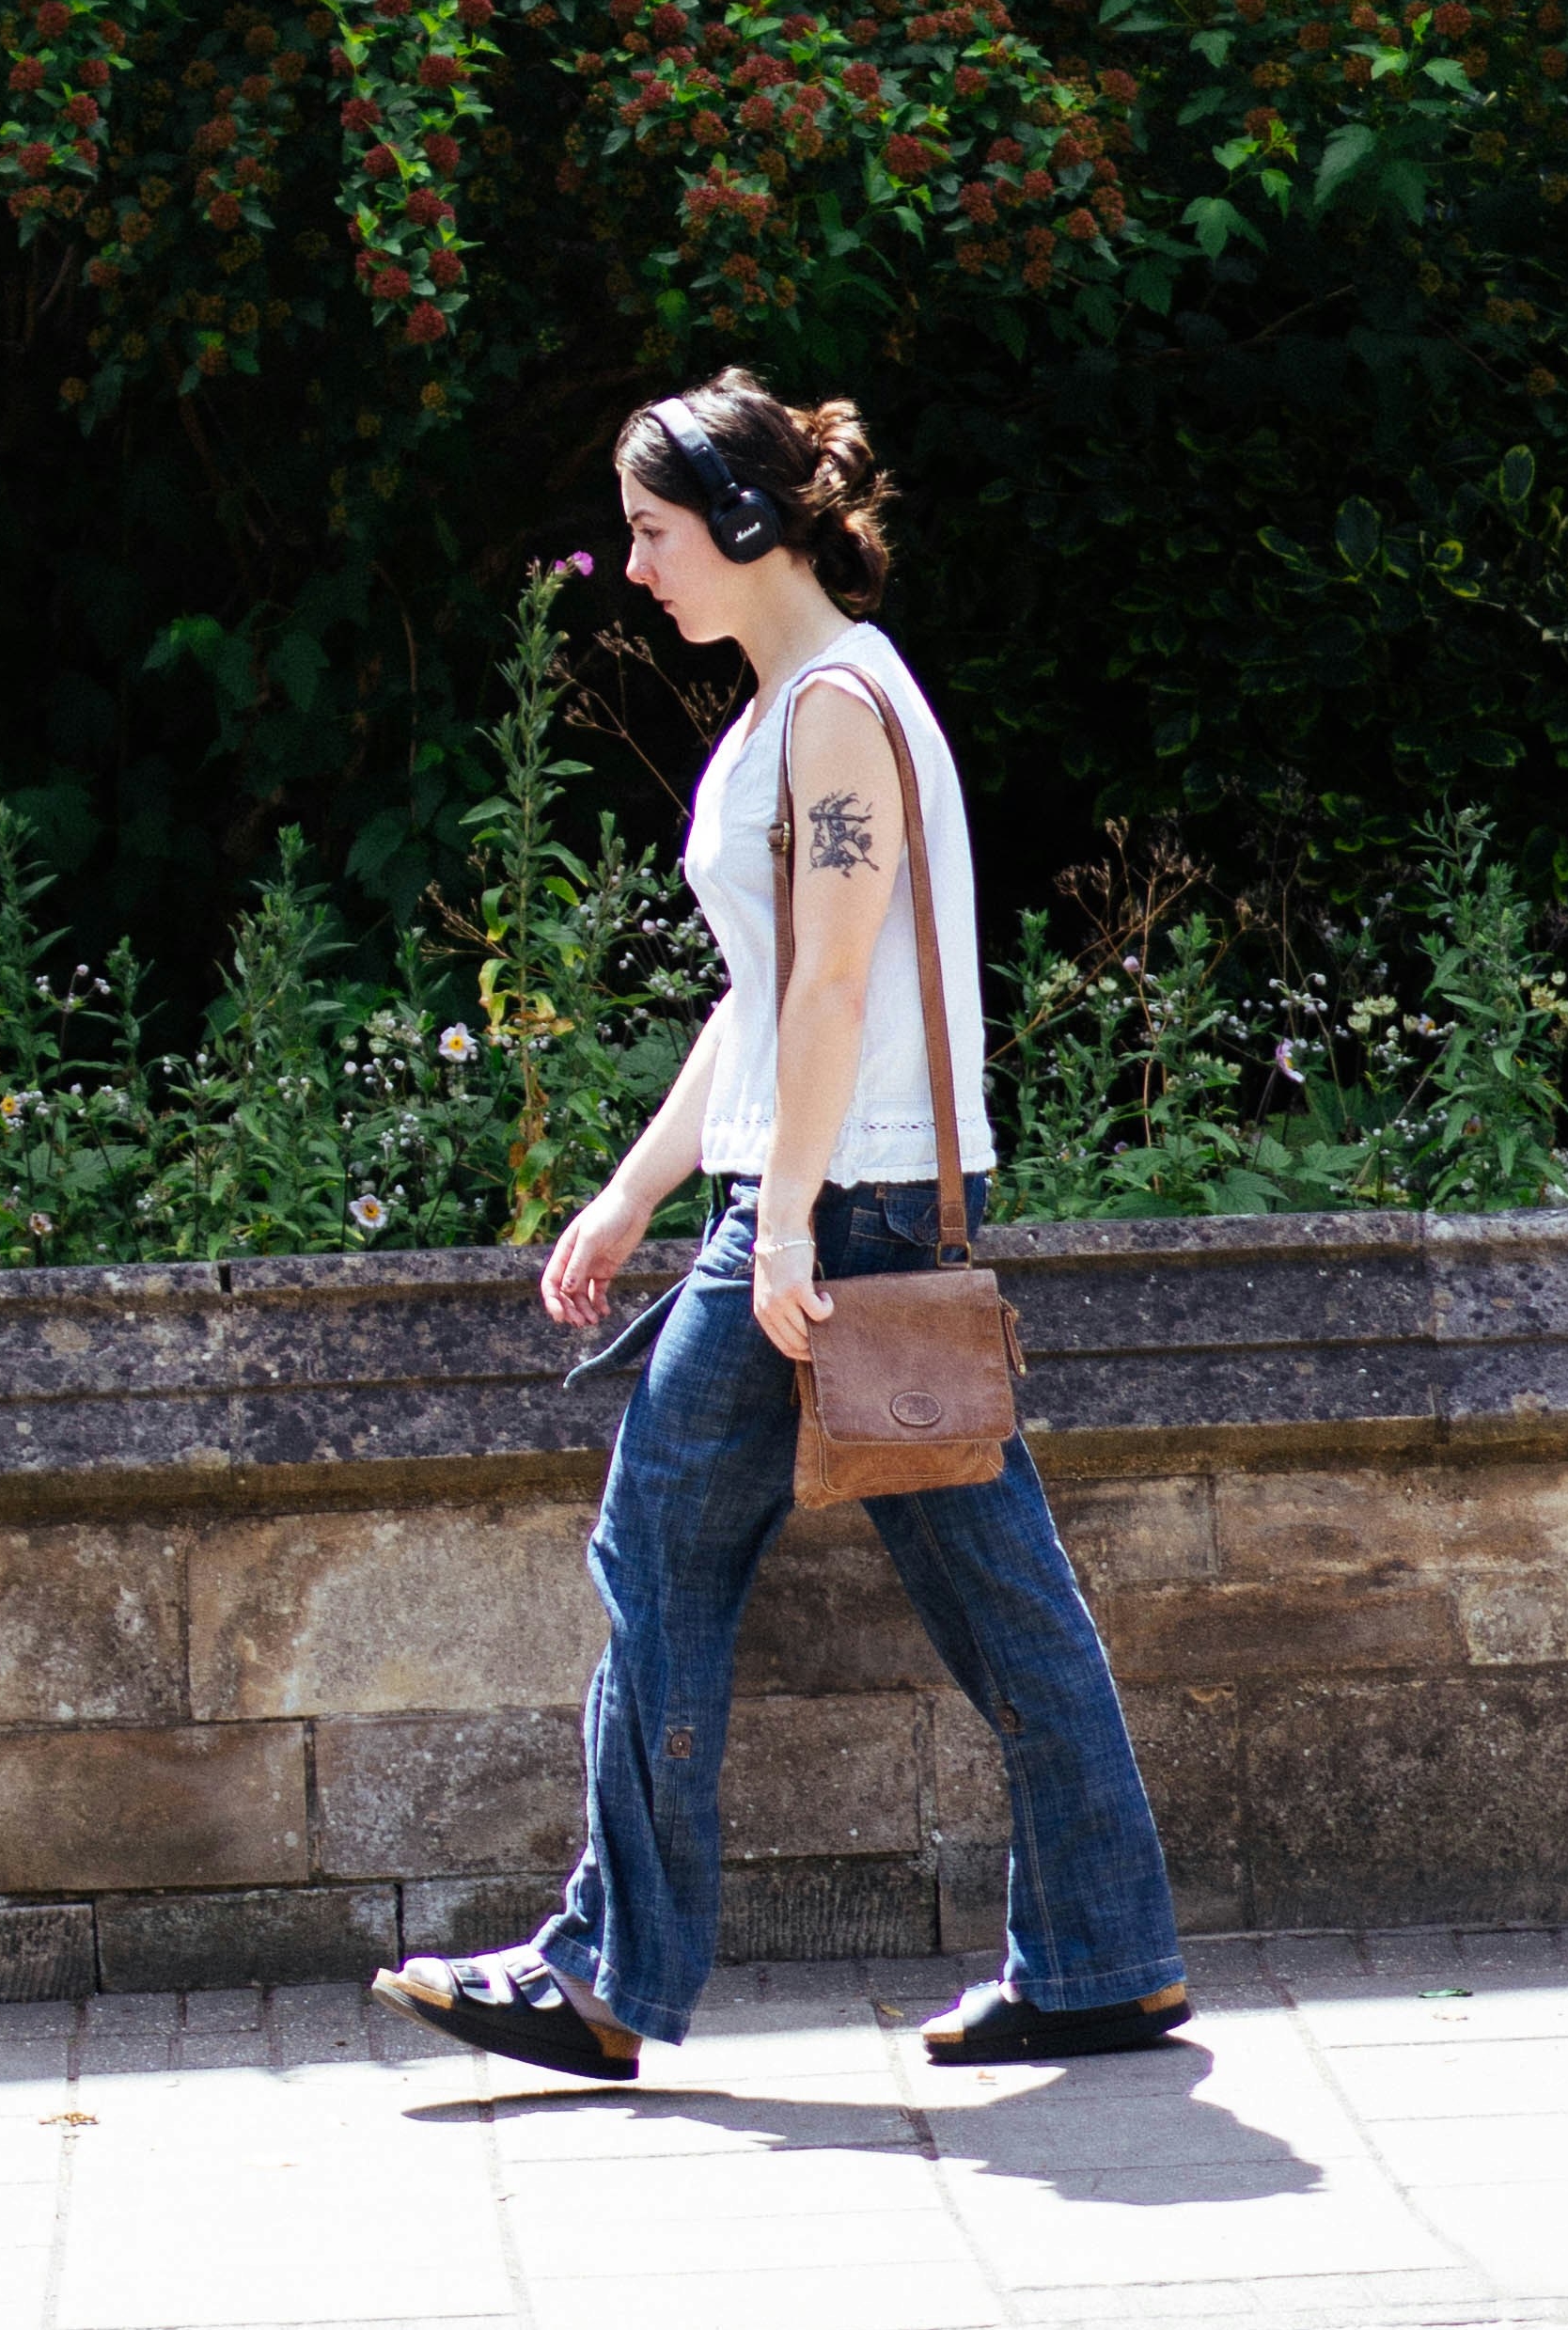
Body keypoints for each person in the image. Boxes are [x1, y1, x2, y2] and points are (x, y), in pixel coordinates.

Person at [376, 366, 1189, 2088]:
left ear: (746, 527)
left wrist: (793, 1216)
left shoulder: (833, 710)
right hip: (835, 1191)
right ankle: (1106, 1958)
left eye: (654, 533)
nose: (637, 567)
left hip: (841, 1205)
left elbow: (834, 982)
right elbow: (759, 1007)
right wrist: (631, 1191)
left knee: (659, 1556)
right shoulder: (785, 712)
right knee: (1000, 1598)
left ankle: (604, 1975)